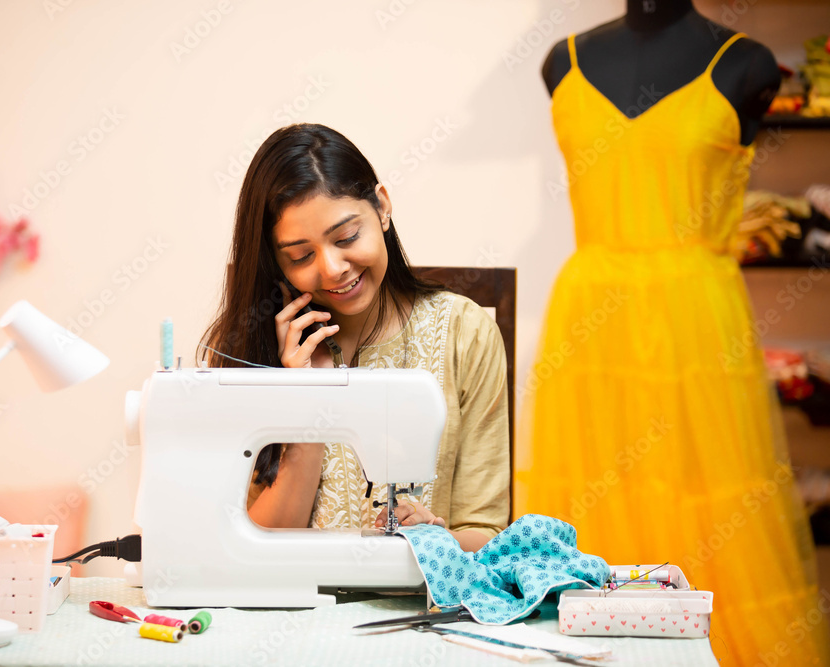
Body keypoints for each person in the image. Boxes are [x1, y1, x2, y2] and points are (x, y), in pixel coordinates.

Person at [521, 2, 830, 664]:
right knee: (596, 497)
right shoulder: (562, 62)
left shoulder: (745, 64)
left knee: (710, 511)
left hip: (696, 322)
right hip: (593, 324)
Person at [199, 123, 510, 551]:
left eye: (346, 237)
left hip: (419, 609)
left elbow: (487, 532)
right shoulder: (251, 352)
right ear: (276, 262)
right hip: (296, 607)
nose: (332, 269)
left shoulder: (465, 333)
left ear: (382, 207)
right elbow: (252, 544)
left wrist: (436, 541)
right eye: (301, 255)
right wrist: (304, 399)